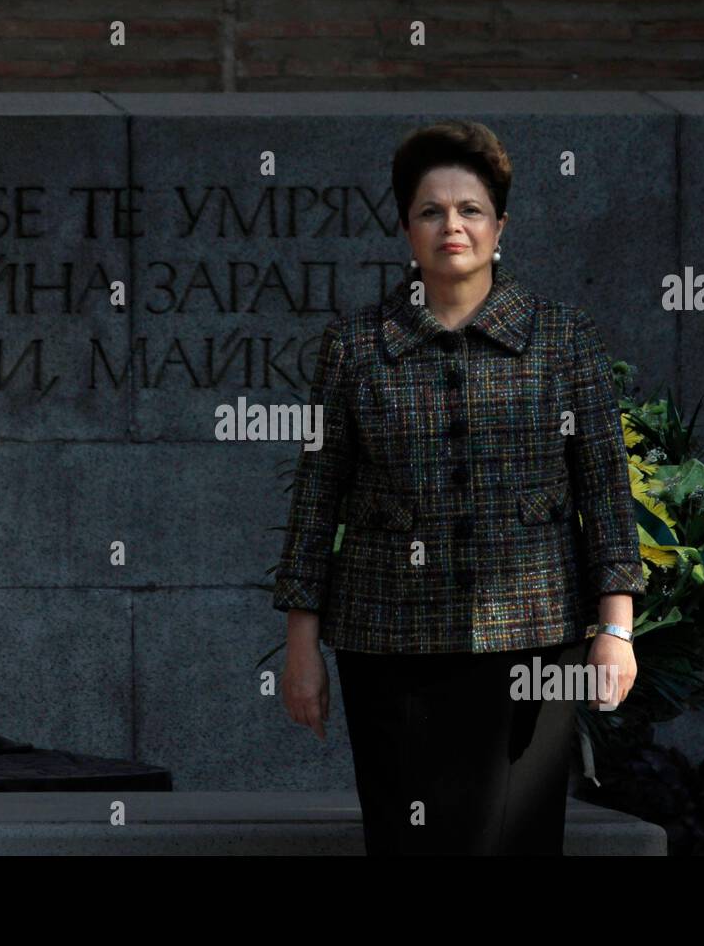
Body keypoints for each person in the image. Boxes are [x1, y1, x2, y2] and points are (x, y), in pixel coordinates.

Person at [271, 119, 646, 856]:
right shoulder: (354, 346)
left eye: (470, 210)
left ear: (500, 225)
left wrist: (617, 629)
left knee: (516, 842)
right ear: (406, 227)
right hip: (389, 648)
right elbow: (317, 497)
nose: (452, 226)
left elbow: (603, 487)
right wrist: (300, 645)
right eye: (431, 211)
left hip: (533, 642)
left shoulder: (563, 339)